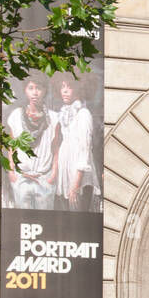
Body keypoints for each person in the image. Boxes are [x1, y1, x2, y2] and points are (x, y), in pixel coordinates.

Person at [4, 73, 61, 210]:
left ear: (44, 91)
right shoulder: (16, 115)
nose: (35, 93)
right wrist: (12, 171)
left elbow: (56, 148)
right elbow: (11, 145)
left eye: (38, 88)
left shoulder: (53, 118)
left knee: (45, 221)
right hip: (21, 177)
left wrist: (53, 174)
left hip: (44, 178)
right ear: (25, 90)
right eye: (31, 88)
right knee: (21, 222)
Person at [55, 74, 101, 212]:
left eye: (69, 86)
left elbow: (84, 152)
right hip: (66, 170)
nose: (65, 90)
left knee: (78, 213)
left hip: (79, 177)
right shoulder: (64, 114)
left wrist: (75, 185)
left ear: (79, 88)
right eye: (63, 86)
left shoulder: (83, 114)